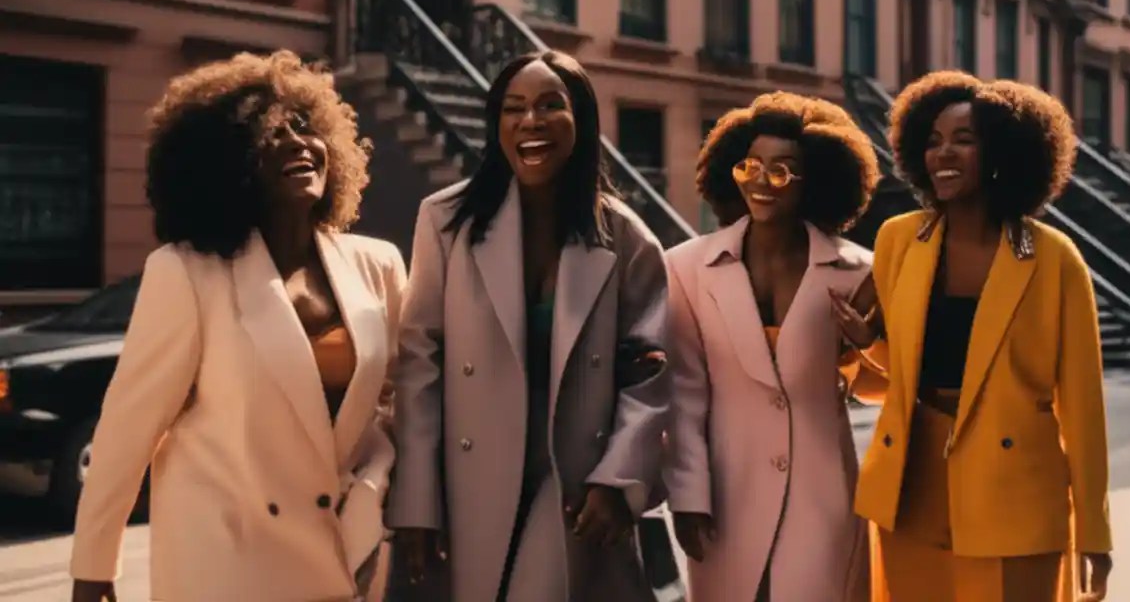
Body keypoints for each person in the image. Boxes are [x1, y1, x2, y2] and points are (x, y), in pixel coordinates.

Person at [69, 51, 406, 602]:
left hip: (345, 544)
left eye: (304, 128)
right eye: (272, 135)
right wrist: (93, 564)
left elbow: (398, 405)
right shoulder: (186, 272)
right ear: (228, 163)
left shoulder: (379, 263)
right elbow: (128, 429)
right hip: (227, 555)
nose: (298, 143)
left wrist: (377, 483)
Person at [387, 50, 669, 602]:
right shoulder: (445, 222)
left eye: (549, 106)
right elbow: (419, 364)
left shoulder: (626, 237)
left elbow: (653, 372)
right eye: (513, 109)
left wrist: (620, 479)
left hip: (571, 481)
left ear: (582, 121)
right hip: (469, 478)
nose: (530, 122)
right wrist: (416, 501)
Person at [846, 72, 1114, 602]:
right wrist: (863, 343)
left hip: (1015, 495)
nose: (943, 154)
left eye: (963, 140)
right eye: (933, 140)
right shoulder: (898, 240)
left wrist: (1094, 533)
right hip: (911, 486)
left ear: (1001, 152)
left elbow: (1083, 410)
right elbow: (897, 378)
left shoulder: (1055, 259)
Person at [662, 92, 884, 601]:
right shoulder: (686, 268)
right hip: (723, 496)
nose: (761, 182)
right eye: (750, 166)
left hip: (823, 493)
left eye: (783, 171)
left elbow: (883, 389)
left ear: (817, 183)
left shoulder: (860, 272)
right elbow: (684, 392)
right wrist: (688, 495)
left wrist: (867, 346)